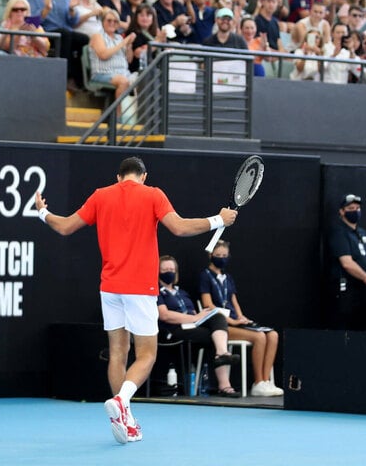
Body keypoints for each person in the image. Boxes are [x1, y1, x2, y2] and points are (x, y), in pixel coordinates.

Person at [32, 156, 238, 445]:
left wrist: (42, 212)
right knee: (147, 355)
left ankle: (124, 418)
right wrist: (219, 219)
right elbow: (179, 228)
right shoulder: (153, 193)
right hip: (140, 289)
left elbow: (65, 226)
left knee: (118, 352)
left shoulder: (101, 195)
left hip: (110, 288)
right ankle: (122, 401)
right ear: (143, 176)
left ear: (118, 177)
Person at [197, 240, 283, 397]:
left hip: (236, 322)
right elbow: (208, 305)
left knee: (273, 335)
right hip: (220, 326)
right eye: (218, 255)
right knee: (259, 337)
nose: (221, 258)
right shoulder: (205, 276)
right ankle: (258, 382)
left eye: (224, 255)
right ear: (210, 255)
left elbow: (234, 301)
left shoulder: (228, 277)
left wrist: (242, 318)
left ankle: (266, 380)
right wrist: (233, 322)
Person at [156, 254, 240, 397]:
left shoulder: (182, 292)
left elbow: (194, 312)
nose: (169, 272)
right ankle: (224, 385)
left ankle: (222, 353)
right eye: (165, 269)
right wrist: (194, 318)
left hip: (193, 325)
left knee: (217, 317)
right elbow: (165, 315)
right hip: (174, 329)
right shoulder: (156, 293)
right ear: (158, 272)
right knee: (214, 337)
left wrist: (202, 315)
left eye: (172, 269)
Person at [329, 194, 366, 331]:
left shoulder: (362, 233)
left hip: (365, 289)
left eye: (357, 208)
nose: (355, 211)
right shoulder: (339, 233)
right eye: (351, 208)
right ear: (342, 211)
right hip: (348, 290)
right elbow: (346, 263)